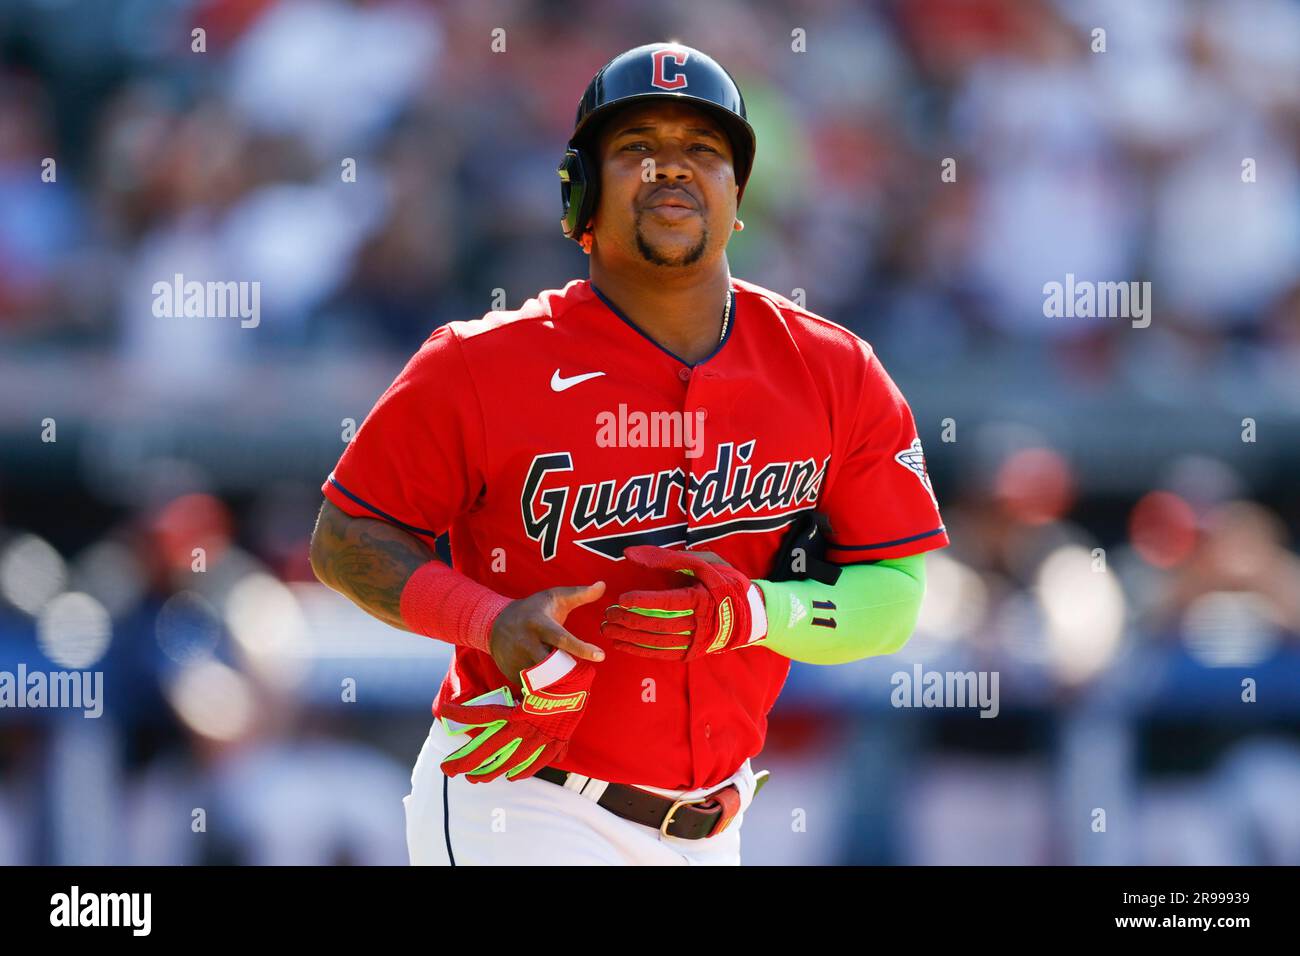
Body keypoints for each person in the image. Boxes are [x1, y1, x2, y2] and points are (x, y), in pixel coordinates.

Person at [308, 42, 948, 866]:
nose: (672, 169)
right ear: (580, 190)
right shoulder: (478, 364)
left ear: (737, 195)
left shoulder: (834, 370)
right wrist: (487, 620)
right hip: (525, 804)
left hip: (715, 824)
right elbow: (344, 539)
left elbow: (893, 596)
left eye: (703, 151)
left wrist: (756, 612)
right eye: (638, 147)